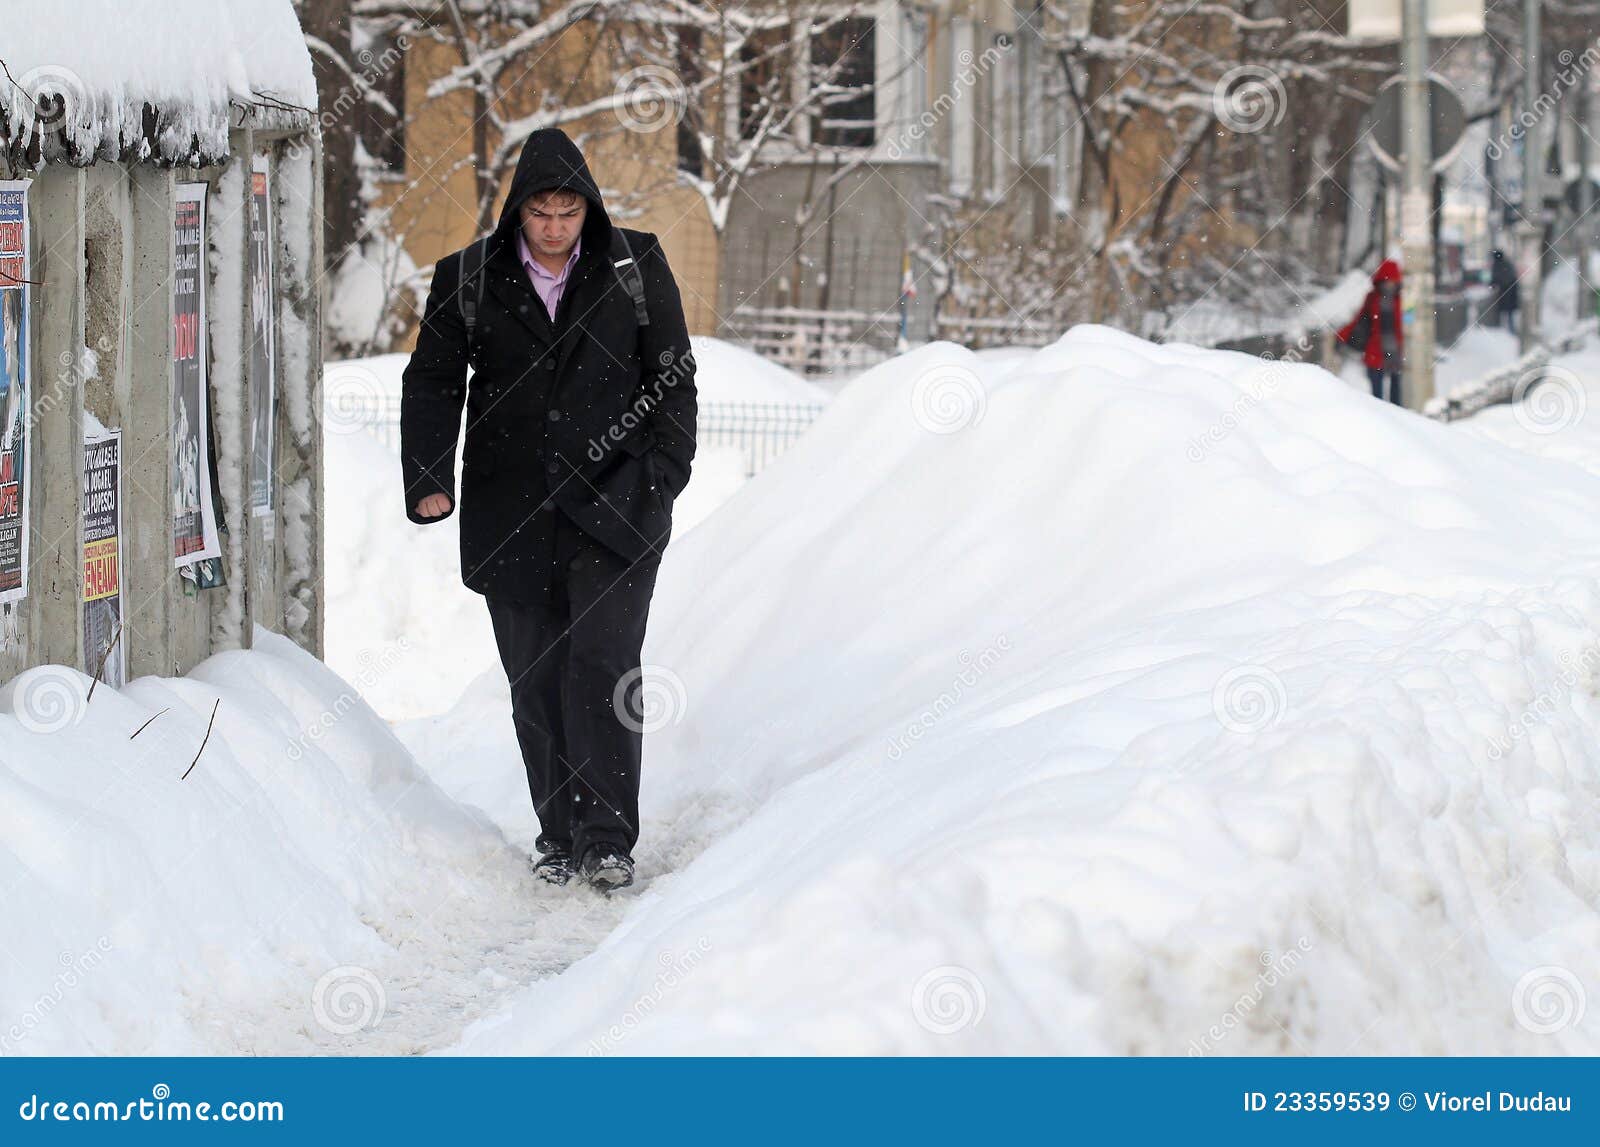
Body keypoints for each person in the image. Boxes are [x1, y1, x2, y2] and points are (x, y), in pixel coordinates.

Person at [400, 128, 697, 891]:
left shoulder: (635, 264)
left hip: (619, 504)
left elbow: (673, 374)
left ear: (588, 207)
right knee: (536, 675)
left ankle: (607, 838)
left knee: (601, 662)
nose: (557, 226)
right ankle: (558, 833)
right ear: (519, 211)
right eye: (543, 212)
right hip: (514, 513)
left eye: (570, 210)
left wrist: (662, 474)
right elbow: (432, 379)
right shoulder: (468, 276)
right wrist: (430, 475)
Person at [1337, 258, 1405, 406]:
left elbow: (1406, 323)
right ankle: (1380, 422)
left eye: (1392, 280)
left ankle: (1398, 424)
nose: (1390, 284)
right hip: (1375, 351)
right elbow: (1359, 319)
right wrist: (1342, 335)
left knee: (1396, 397)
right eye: (1387, 280)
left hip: (1394, 352)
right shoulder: (1373, 298)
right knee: (1377, 398)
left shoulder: (1401, 299)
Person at [1490, 247, 1520, 334]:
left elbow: (1496, 278)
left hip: (1506, 292)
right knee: (1509, 313)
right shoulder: (1507, 263)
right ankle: (1510, 331)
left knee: (1504, 313)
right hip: (1510, 291)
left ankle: (1505, 331)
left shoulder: (1498, 265)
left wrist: (1493, 284)